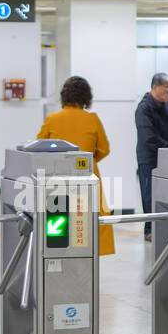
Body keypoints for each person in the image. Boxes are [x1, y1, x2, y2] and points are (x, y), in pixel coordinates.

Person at [37, 76, 116, 256]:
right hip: (87, 174)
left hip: (58, 176)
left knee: (59, 218)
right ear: (86, 97)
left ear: (64, 96)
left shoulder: (52, 119)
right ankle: (88, 253)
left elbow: (39, 146)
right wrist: (89, 160)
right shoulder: (92, 119)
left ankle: (58, 251)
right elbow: (104, 149)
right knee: (89, 218)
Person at [135, 72, 168, 241]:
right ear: (155, 87)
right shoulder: (144, 108)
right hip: (149, 159)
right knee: (149, 195)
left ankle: (163, 228)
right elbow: (148, 137)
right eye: (165, 88)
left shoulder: (167, 105)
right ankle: (150, 230)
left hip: (167, 158)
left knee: (166, 194)